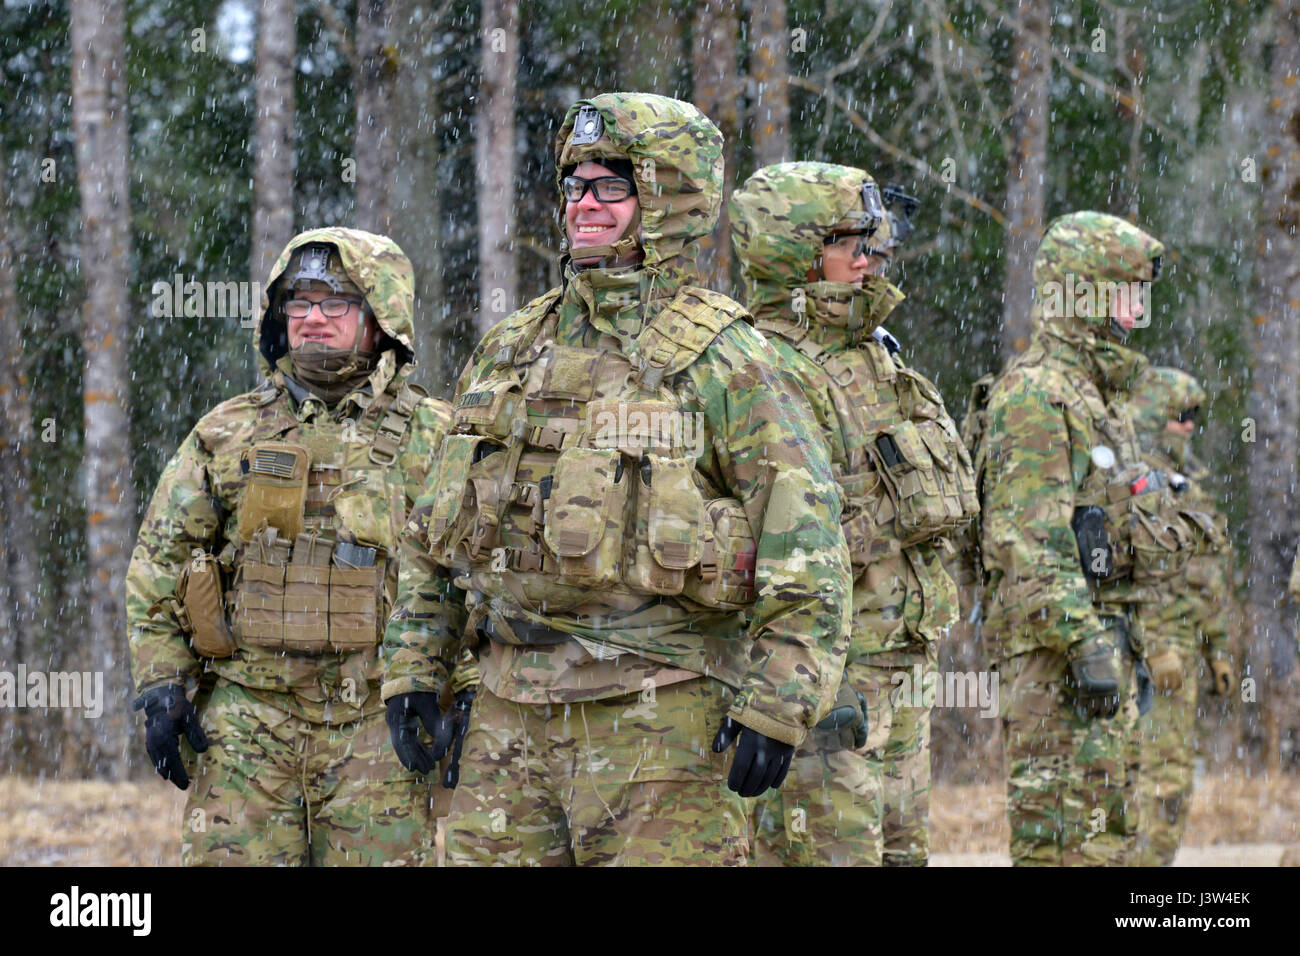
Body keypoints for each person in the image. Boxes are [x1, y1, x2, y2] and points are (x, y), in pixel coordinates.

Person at [382, 93, 852, 866]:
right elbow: (437, 532)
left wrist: (779, 702)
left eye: (613, 185)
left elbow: (804, 547)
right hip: (508, 717)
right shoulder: (510, 347)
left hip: (659, 723)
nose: (586, 204)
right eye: (575, 185)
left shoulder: (727, 359)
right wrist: (414, 666)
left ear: (667, 202)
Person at [126, 228, 458, 865]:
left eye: (336, 303)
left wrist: (464, 694)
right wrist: (162, 682)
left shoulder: (437, 438)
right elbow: (160, 564)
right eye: (299, 302)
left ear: (381, 316)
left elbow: (468, 578)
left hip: (377, 725)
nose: (313, 318)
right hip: (248, 725)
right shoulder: (227, 431)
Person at [730, 162, 976, 866]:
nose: (867, 259)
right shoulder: (764, 368)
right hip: (825, 685)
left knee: (903, 855)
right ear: (794, 252)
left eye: (871, 240)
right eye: (847, 242)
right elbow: (773, 542)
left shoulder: (874, 356)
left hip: (898, 671)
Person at [972, 210, 1193, 866]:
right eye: (1125, 291)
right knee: (1068, 844)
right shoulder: (1038, 396)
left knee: (1109, 838)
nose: (1137, 310)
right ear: (1084, 293)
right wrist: (1084, 643)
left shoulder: (1099, 399)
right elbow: (1026, 541)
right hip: (1057, 664)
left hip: (1100, 650)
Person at [1126, 366, 1234, 866]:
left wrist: (1218, 650)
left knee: (1174, 778)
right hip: (1154, 653)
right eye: (1180, 416)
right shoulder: (1135, 479)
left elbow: (1209, 574)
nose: (1190, 426)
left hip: (1187, 647)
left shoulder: (1190, 482)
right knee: (1156, 777)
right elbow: (1129, 572)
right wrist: (1150, 644)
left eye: (1195, 416)